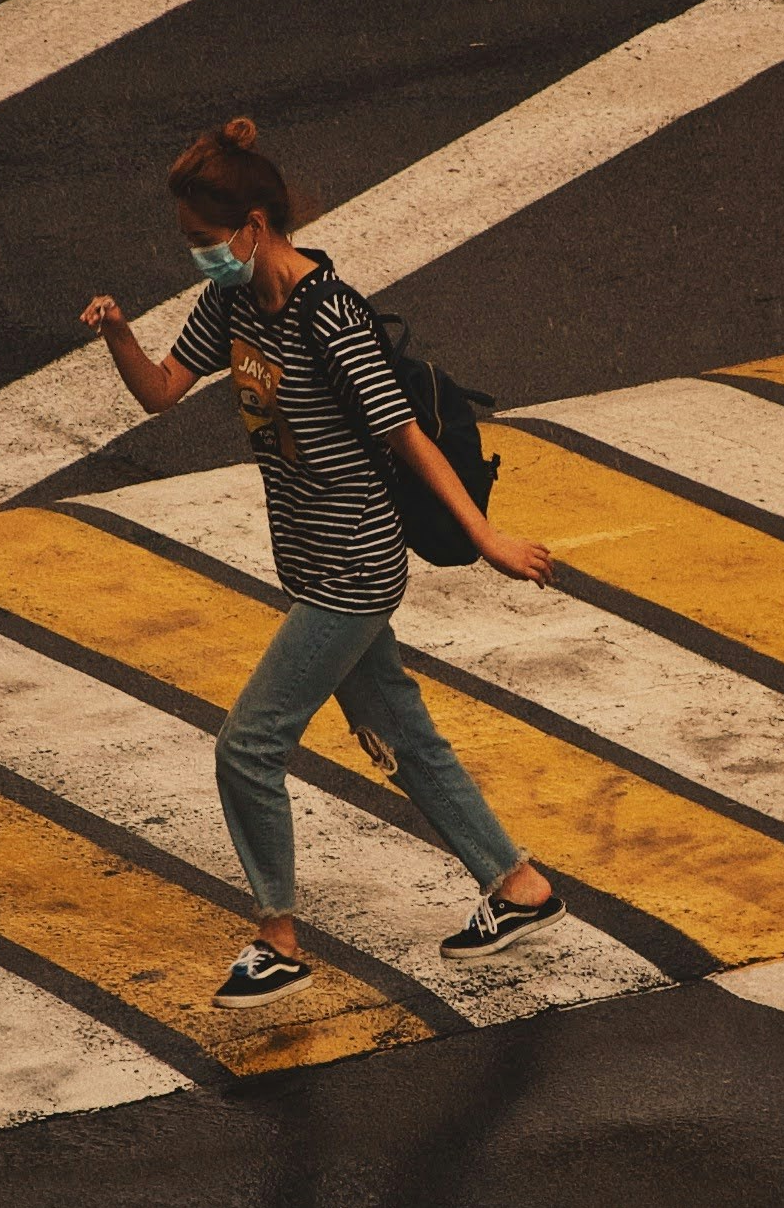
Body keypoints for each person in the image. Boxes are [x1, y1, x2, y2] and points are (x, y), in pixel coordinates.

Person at [80, 117, 567, 1008]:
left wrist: (486, 538)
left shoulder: (328, 315)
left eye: (204, 241)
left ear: (254, 227)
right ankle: (518, 887)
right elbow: (159, 393)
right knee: (403, 736)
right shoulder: (231, 304)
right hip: (307, 560)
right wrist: (116, 333)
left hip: (356, 565)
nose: (197, 258)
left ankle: (278, 939)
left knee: (248, 748)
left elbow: (403, 434)